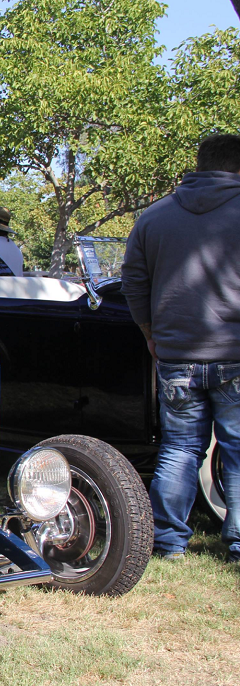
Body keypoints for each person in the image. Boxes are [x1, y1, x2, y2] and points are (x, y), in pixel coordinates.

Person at [121, 133, 240, 565]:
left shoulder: (156, 216)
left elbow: (133, 280)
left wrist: (149, 331)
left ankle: (169, 541)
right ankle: (238, 543)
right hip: (234, 351)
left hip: (176, 351)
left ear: (201, 163)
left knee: (179, 449)